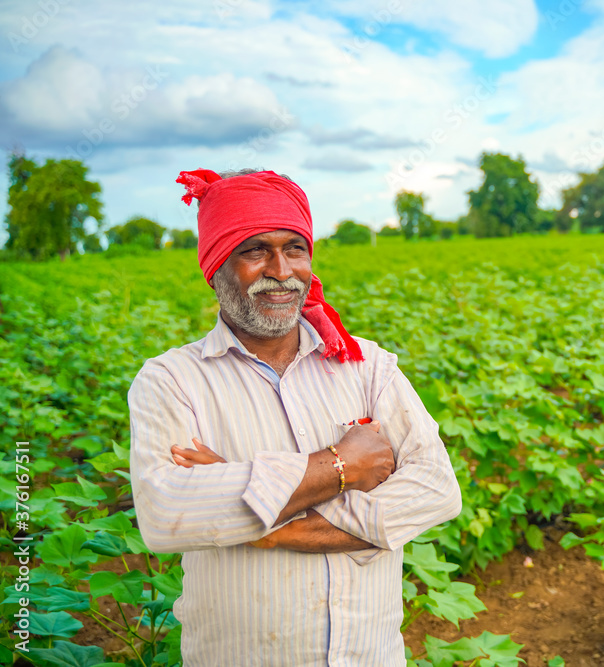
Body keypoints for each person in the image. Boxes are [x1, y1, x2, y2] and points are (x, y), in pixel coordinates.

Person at [128, 168, 462, 667]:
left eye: (295, 248)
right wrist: (339, 467)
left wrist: (274, 525)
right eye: (254, 250)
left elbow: (437, 490)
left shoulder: (368, 367)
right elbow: (166, 516)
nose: (281, 270)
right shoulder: (171, 381)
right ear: (217, 266)